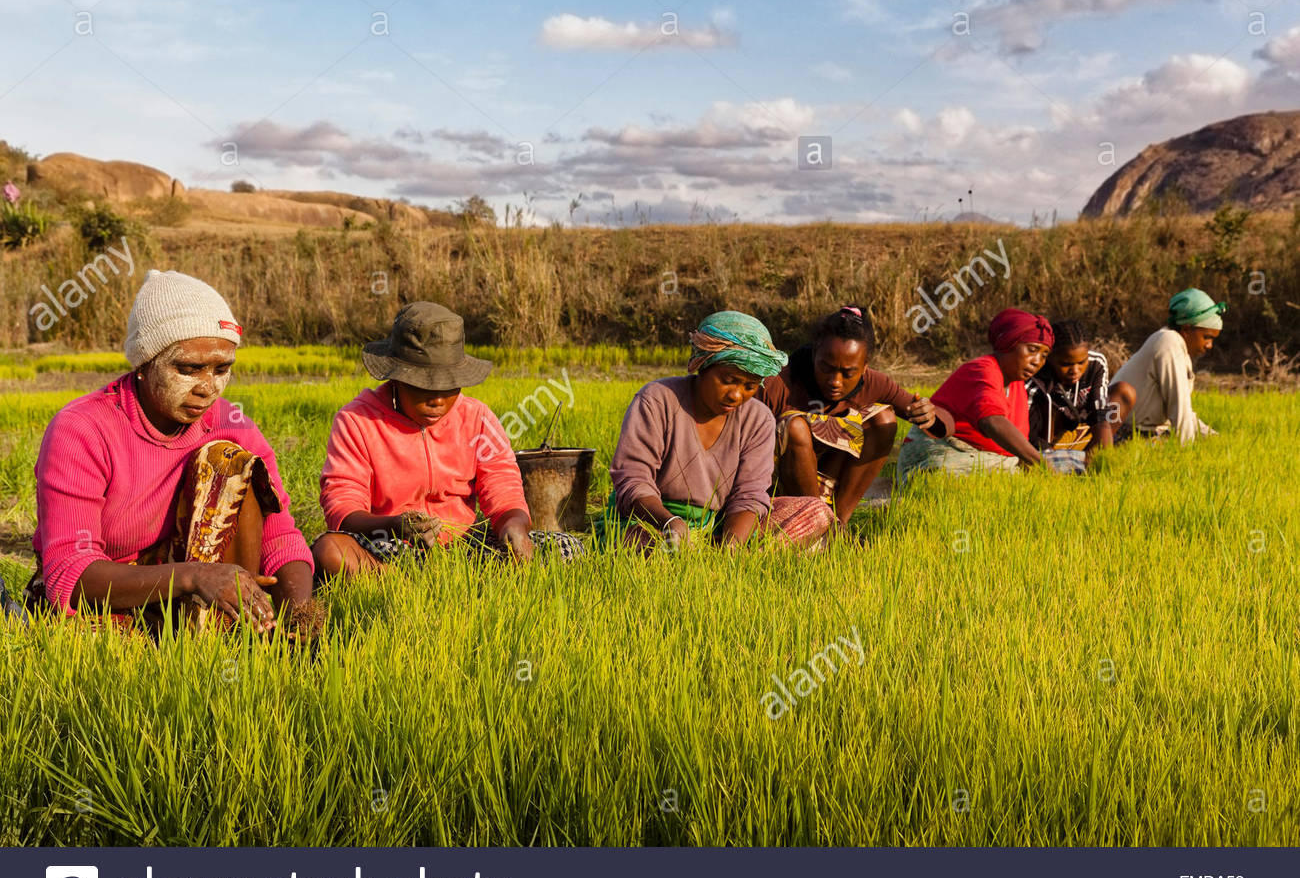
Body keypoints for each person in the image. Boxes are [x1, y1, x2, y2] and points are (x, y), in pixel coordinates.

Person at [25, 270, 319, 638]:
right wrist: (195, 575)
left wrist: (300, 619)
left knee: (233, 460)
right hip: (105, 600)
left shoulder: (232, 423)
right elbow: (72, 572)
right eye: (189, 369)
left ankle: (229, 635)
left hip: (190, 591)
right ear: (145, 365)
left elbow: (279, 536)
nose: (208, 388)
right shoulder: (82, 429)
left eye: (222, 369)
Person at [312, 302, 582, 578]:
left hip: (464, 546)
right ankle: (402, 585)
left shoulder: (477, 418)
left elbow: (503, 487)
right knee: (331, 551)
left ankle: (436, 584)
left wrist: (513, 524)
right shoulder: (357, 421)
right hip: (389, 543)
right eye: (423, 386)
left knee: (566, 548)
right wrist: (395, 524)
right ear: (397, 378)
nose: (438, 399)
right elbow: (343, 508)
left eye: (448, 386)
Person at [602, 310, 834, 552]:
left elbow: (750, 495)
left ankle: (722, 553)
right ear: (703, 364)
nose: (736, 395)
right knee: (646, 546)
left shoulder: (758, 419)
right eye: (728, 379)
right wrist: (670, 522)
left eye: (749, 386)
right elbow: (633, 479)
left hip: (718, 523)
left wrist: (730, 549)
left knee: (815, 511)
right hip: (652, 518)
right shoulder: (657, 400)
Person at [758, 306, 953, 523]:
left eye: (848, 373)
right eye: (826, 368)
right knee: (795, 427)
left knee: (884, 419)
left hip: (829, 476)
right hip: (780, 483)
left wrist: (930, 414)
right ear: (814, 354)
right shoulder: (779, 382)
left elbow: (943, 422)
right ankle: (814, 523)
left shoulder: (873, 383)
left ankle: (838, 522)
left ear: (864, 367)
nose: (835, 381)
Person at [896, 308, 1054, 485]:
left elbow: (1017, 439)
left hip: (979, 457)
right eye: (1032, 350)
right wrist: (1042, 464)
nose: (1037, 361)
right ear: (1008, 343)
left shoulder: (1017, 385)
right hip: (939, 449)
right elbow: (991, 421)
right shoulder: (983, 369)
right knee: (944, 474)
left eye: (1044, 355)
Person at [1109, 288, 1224, 445]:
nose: (1209, 345)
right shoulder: (1168, 343)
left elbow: (1185, 412)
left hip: (1146, 431)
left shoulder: (1180, 350)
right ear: (1186, 329)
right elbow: (1179, 410)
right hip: (1124, 434)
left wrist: (1215, 438)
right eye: (1206, 337)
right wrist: (1188, 453)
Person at [1025, 319, 1134, 472]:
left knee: (1124, 392)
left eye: (1081, 362)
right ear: (1049, 357)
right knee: (1048, 403)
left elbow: (1101, 418)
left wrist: (1102, 461)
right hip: (1044, 442)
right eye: (1065, 364)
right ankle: (1057, 462)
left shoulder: (1096, 363)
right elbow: (1028, 432)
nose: (1075, 370)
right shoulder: (1036, 374)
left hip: (1082, 432)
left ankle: (1090, 456)